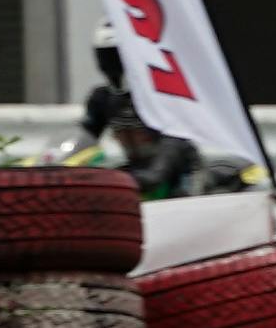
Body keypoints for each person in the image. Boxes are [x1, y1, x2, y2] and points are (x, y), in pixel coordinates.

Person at [80, 20, 197, 200]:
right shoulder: (102, 98)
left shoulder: (159, 94)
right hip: (137, 172)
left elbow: (175, 141)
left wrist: (156, 172)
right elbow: (84, 139)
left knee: (186, 202)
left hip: (180, 175)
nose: (111, 64)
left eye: (116, 56)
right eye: (105, 56)